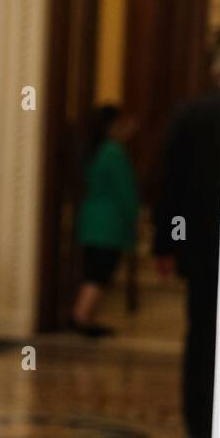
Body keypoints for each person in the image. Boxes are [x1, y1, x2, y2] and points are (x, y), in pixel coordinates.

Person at [154, 28, 220, 438]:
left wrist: (166, 244)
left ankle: (200, 423)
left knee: (201, 331)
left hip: (198, 245)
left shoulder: (188, 115)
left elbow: (169, 186)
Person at [72, 104, 139, 337]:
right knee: (99, 273)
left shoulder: (94, 150)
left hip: (91, 219)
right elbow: (126, 192)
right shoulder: (114, 152)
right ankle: (82, 316)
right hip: (109, 223)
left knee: (93, 269)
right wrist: (134, 219)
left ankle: (85, 315)